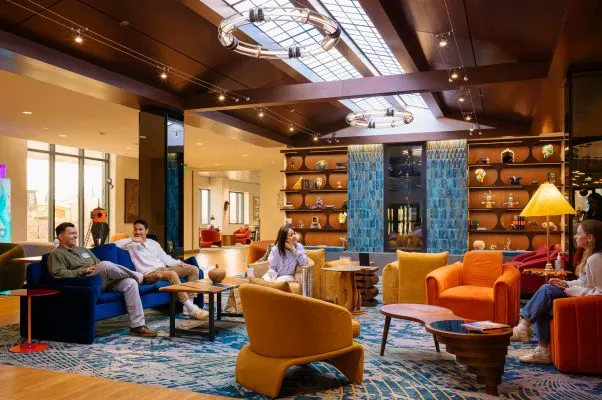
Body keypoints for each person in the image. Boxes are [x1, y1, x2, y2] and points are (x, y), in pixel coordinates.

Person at [511, 219, 602, 363]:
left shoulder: (596, 259)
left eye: (579, 234)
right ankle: (542, 350)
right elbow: (585, 283)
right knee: (544, 302)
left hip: (589, 304)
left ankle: (523, 326)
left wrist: (575, 291)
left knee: (546, 290)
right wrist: (565, 283)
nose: (575, 236)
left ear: (589, 238)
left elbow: (599, 292)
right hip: (583, 299)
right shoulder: (591, 257)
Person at [49, 222, 157, 337]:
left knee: (130, 283)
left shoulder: (83, 250)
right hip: (86, 282)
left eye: (76, 233)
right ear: (61, 236)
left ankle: (137, 326)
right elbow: (59, 274)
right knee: (105, 265)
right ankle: (143, 278)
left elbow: (98, 263)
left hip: (103, 280)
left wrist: (99, 267)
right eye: (71, 233)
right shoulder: (56, 254)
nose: (75, 236)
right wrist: (83, 271)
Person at [115, 219, 207, 320]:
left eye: (140, 229)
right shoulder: (130, 245)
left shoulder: (153, 243)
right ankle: (191, 308)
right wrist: (132, 239)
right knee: (172, 274)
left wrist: (179, 263)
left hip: (164, 269)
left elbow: (165, 258)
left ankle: (188, 307)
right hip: (149, 274)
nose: (137, 232)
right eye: (135, 229)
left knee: (193, 269)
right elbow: (115, 244)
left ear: (146, 231)